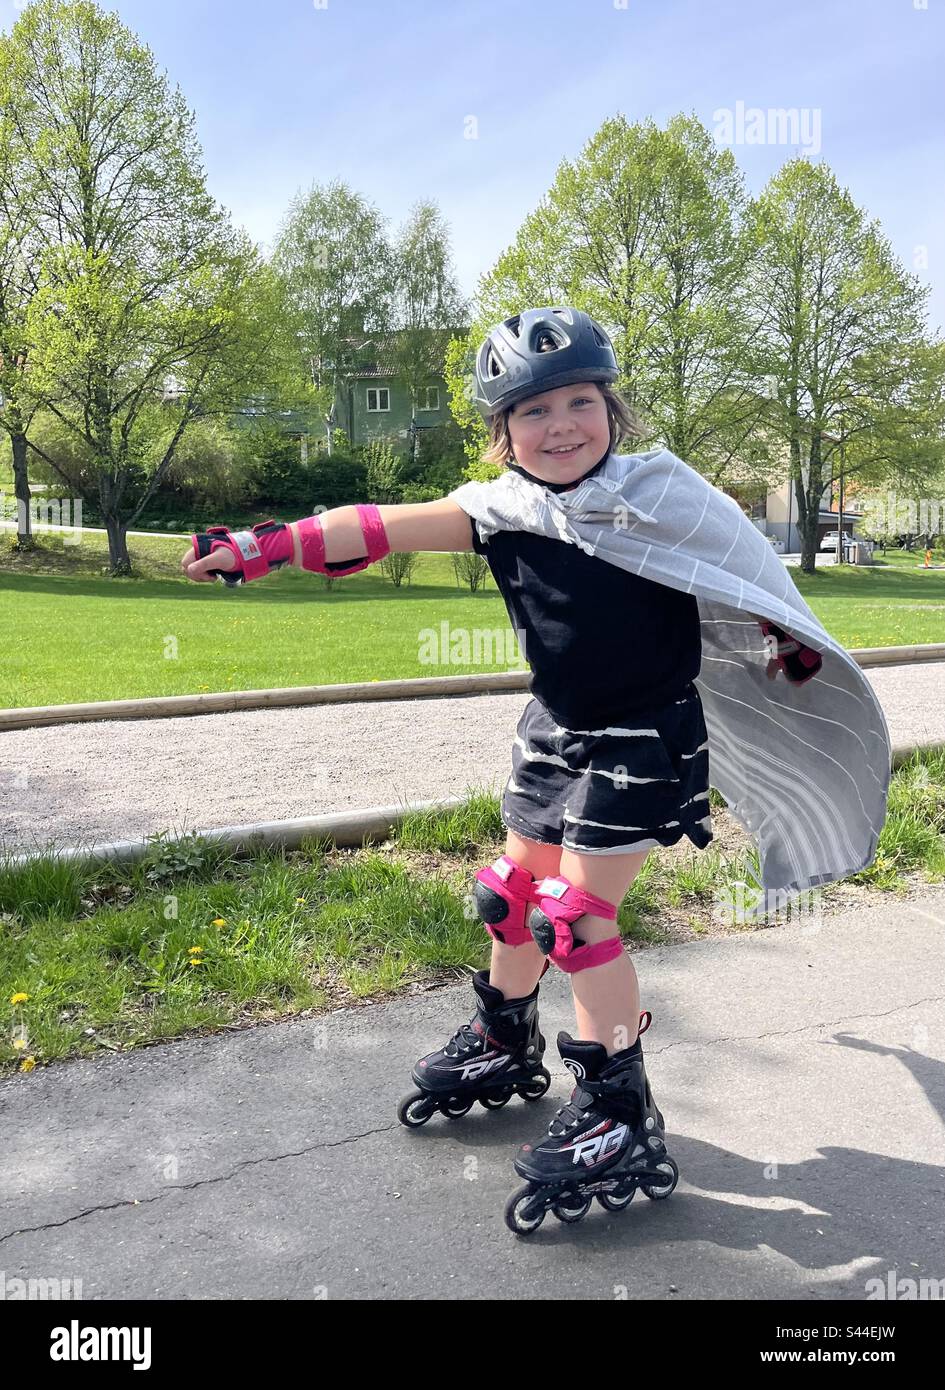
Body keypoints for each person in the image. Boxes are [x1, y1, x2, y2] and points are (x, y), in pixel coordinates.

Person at [180, 308, 725, 1234]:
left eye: (580, 402)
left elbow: (748, 582)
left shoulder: (659, 497)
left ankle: (620, 1111)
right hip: (553, 727)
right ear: (502, 433)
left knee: (577, 920)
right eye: (533, 412)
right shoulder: (499, 510)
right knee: (512, 894)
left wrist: (791, 653)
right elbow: (377, 525)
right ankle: (504, 1040)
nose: (560, 426)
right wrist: (267, 547)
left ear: (612, 408)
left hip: (641, 736)